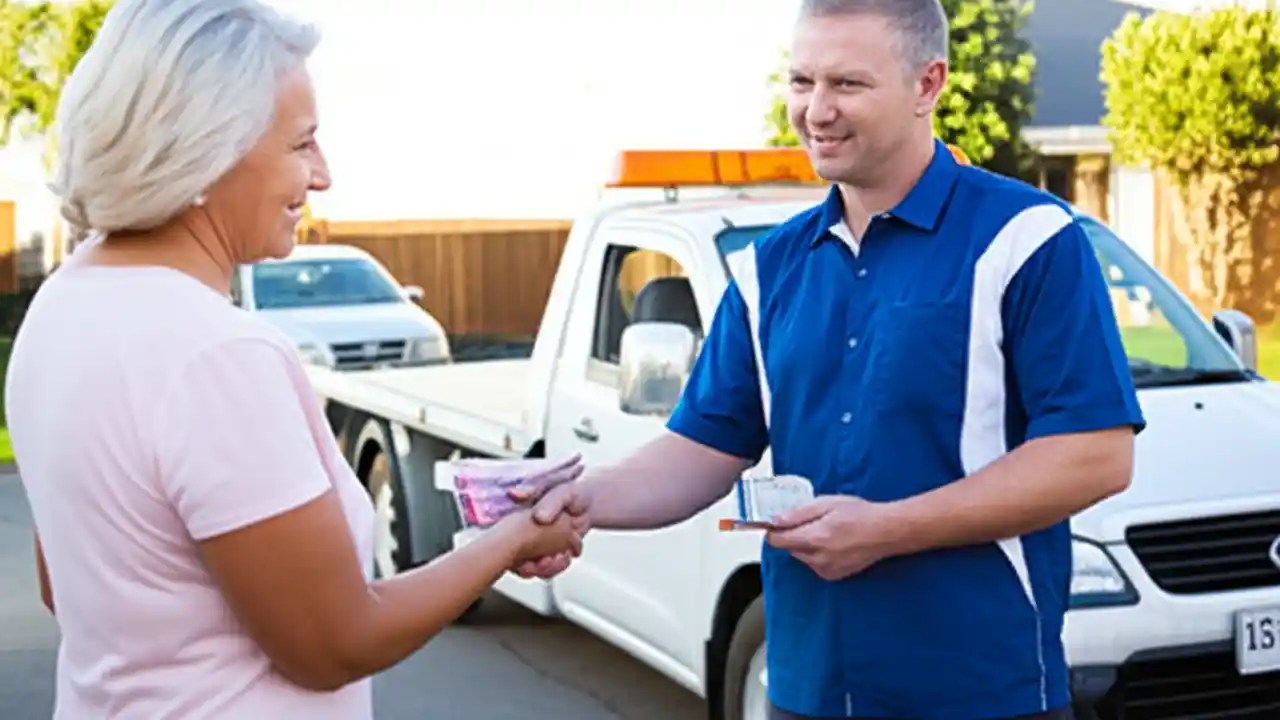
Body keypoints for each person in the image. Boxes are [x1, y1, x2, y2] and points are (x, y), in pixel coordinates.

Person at [514, 1, 1146, 718]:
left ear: (928, 84)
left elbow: (1095, 454)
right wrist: (578, 502)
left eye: (847, 84)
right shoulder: (768, 268)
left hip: (981, 694)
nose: (817, 110)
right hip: (806, 691)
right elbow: (700, 450)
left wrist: (886, 529)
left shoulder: (1029, 238)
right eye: (802, 81)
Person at [5, 1, 585, 718]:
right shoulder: (215, 355)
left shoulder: (63, 306)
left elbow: (67, 586)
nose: (323, 175)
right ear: (205, 153)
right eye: (301, 144)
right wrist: (504, 546)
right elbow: (332, 645)